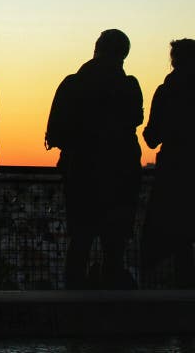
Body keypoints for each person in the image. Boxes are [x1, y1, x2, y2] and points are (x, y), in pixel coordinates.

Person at [46, 29, 142, 289]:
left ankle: (74, 303)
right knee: (115, 246)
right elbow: (136, 120)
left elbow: (54, 133)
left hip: (82, 173)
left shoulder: (73, 84)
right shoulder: (129, 86)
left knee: (80, 241)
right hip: (121, 175)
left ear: (96, 48)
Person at [141, 39, 195, 287]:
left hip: (173, 171)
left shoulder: (166, 92)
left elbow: (152, 138)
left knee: (173, 234)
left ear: (174, 61)